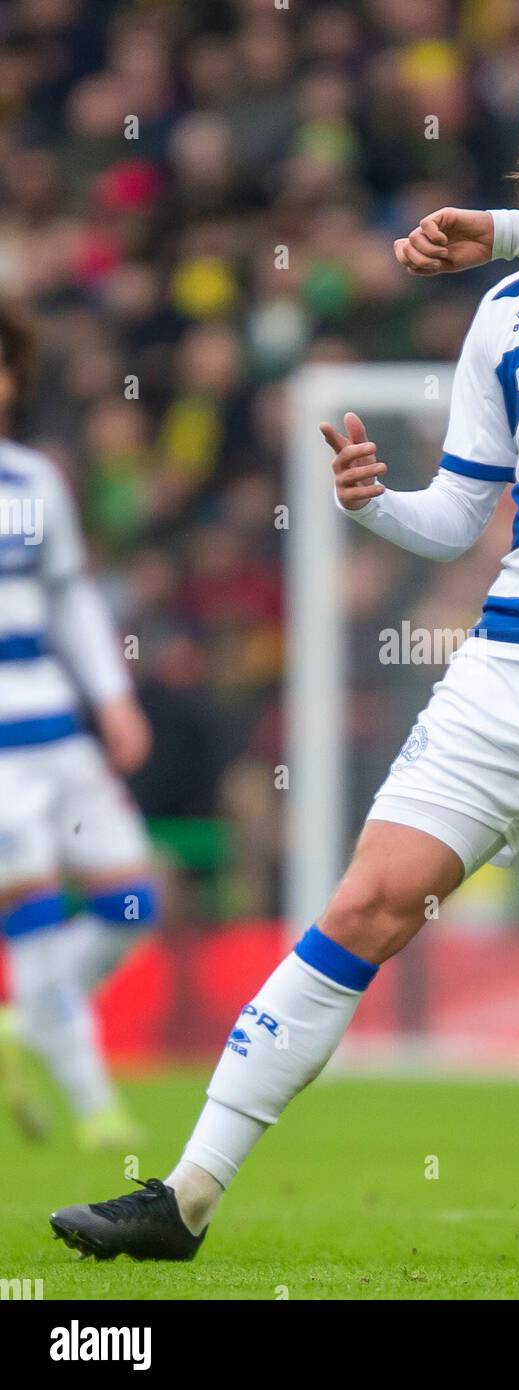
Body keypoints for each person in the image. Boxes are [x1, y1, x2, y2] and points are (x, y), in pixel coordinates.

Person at [50, 18, 519, 1262]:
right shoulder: (510, 315)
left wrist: (500, 230)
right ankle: (185, 1196)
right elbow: (457, 516)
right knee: (367, 901)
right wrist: (378, 503)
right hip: (514, 653)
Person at [0, 299, 158, 1151]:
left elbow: (72, 600)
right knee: (25, 912)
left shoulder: (34, 481)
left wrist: (114, 698)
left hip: (57, 733)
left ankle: (28, 1018)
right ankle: (97, 1108)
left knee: (133, 901)